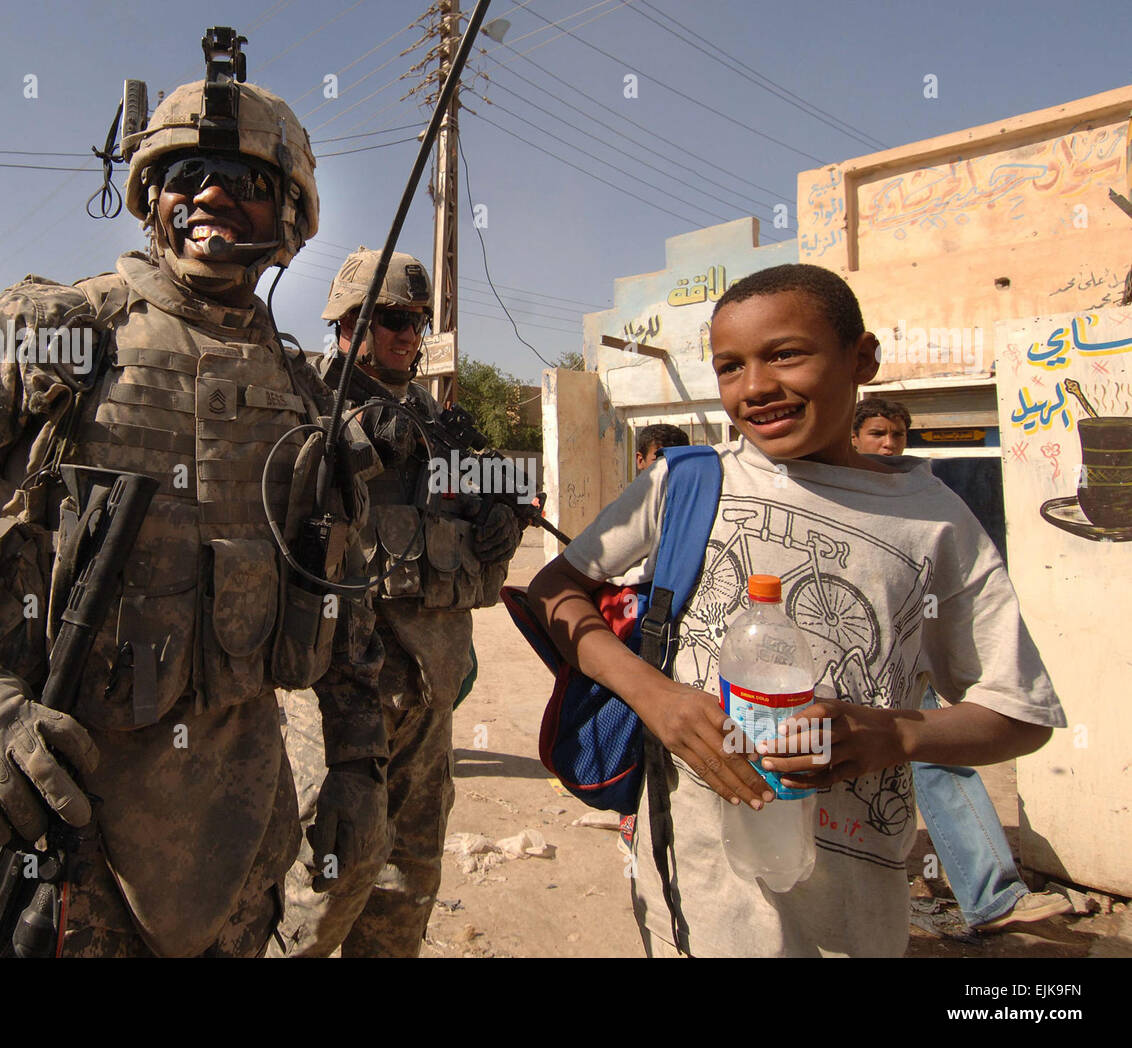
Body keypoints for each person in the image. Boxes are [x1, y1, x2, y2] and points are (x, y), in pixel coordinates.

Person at [0, 34, 385, 957]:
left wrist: (360, 770)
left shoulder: (308, 402)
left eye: (244, 181)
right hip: (48, 820)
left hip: (236, 848)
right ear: (150, 200)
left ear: (291, 218)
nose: (211, 195)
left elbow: (344, 599)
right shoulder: (61, 337)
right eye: (187, 174)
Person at [527, 263, 1065, 957]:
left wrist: (891, 737)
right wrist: (655, 698)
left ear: (860, 358)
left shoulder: (935, 523)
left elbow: (1018, 714)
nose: (755, 387)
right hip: (692, 895)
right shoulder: (686, 484)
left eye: (785, 354)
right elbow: (555, 588)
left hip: (849, 916)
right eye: (729, 366)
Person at [268, 248, 524, 957]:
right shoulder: (304, 406)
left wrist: (496, 520)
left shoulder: (435, 421)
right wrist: (345, 447)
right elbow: (272, 517)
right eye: (391, 320)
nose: (409, 335)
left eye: (417, 320)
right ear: (347, 324)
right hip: (341, 700)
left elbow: (468, 540)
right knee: (325, 882)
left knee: (408, 882)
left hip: (429, 698)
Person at [853, 398, 1071, 934]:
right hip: (847, 654)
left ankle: (992, 896)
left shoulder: (928, 496)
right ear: (854, 436)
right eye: (878, 433)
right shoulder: (826, 487)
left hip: (910, 654)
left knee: (937, 757)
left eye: (898, 435)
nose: (889, 444)